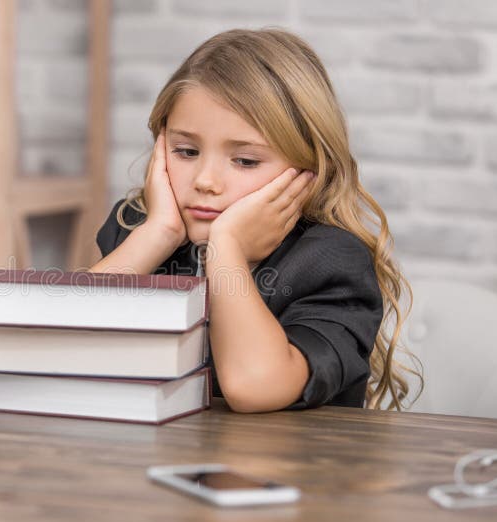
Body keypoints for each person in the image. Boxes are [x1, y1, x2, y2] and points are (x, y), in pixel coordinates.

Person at [89, 28, 421, 413]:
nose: (206, 181)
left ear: (309, 167)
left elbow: (253, 385)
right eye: (186, 151)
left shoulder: (330, 262)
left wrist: (227, 248)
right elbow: (62, 347)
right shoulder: (137, 228)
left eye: (245, 161)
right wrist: (158, 234)